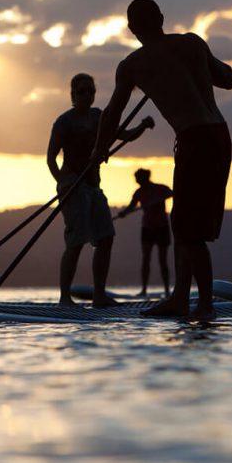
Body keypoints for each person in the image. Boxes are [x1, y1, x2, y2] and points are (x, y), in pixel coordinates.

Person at [93, 0, 232, 320]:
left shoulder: (133, 65)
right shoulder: (193, 44)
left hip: (194, 139)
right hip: (220, 136)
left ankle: (205, 306)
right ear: (161, 17)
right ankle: (180, 299)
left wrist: (100, 148)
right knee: (184, 225)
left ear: (131, 29)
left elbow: (112, 113)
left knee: (189, 229)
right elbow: (227, 78)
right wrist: (195, 65)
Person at [47, 72, 153, 308]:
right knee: (75, 242)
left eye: (91, 91)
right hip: (73, 187)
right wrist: (63, 183)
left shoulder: (100, 117)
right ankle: (65, 298)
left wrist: (143, 126)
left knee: (106, 238)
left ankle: (99, 295)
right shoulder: (64, 122)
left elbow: (124, 135)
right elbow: (51, 159)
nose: (87, 95)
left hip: (94, 187)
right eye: (82, 91)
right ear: (72, 94)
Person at [117, 168, 173, 298]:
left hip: (162, 227)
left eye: (137, 178)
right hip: (147, 228)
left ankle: (166, 290)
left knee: (162, 260)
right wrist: (123, 213)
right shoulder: (139, 192)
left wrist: (160, 198)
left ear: (144, 178)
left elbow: (172, 193)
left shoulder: (160, 188)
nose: (136, 181)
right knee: (146, 259)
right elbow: (132, 206)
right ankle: (143, 290)